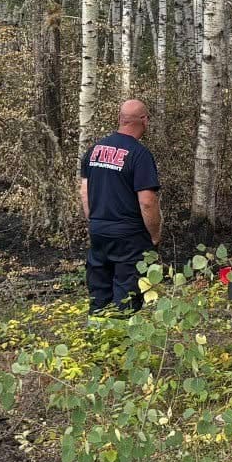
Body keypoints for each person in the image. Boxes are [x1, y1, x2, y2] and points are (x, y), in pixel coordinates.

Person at [80, 98, 162, 311]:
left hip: (99, 231)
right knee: (127, 296)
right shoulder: (140, 155)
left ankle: (98, 338)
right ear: (144, 120)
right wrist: (154, 234)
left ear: (120, 119)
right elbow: (147, 202)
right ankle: (122, 340)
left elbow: (84, 193)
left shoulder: (94, 150)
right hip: (129, 237)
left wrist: (95, 221)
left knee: (99, 293)